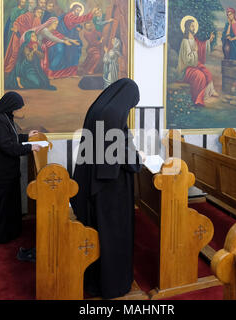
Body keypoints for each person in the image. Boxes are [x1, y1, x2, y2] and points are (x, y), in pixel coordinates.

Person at [71, 78, 143, 299]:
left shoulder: (102, 106)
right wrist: (137, 161)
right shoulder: (112, 114)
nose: (129, 110)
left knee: (100, 235)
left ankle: (96, 282)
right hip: (109, 189)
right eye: (131, 105)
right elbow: (117, 155)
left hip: (95, 182)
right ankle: (113, 285)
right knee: (112, 237)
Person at [0, 92, 41, 245]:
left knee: (8, 204)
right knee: (0, 205)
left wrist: (27, 137)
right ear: (10, 105)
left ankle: (10, 231)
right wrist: (30, 147)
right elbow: (7, 146)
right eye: (17, 107)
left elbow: (11, 137)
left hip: (7, 170)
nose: (18, 110)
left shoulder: (4, 116)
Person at [177, 19, 218, 106]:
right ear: (188, 27)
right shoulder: (185, 41)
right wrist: (195, 51)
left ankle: (209, 92)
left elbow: (201, 46)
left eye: (194, 25)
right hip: (186, 68)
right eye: (192, 25)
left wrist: (208, 41)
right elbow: (187, 59)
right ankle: (197, 99)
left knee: (207, 72)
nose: (194, 27)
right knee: (200, 76)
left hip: (194, 64)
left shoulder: (194, 39)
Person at [5, 7, 45, 74]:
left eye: (41, 13)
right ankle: (8, 70)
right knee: (15, 53)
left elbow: (36, 32)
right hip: (18, 35)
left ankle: (21, 72)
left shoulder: (38, 21)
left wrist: (35, 41)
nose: (40, 14)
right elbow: (17, 22)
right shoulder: (27, 15)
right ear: (34, 11)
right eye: (38, 12)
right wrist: (16, 28)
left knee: (29, 53)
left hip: (27, 39)